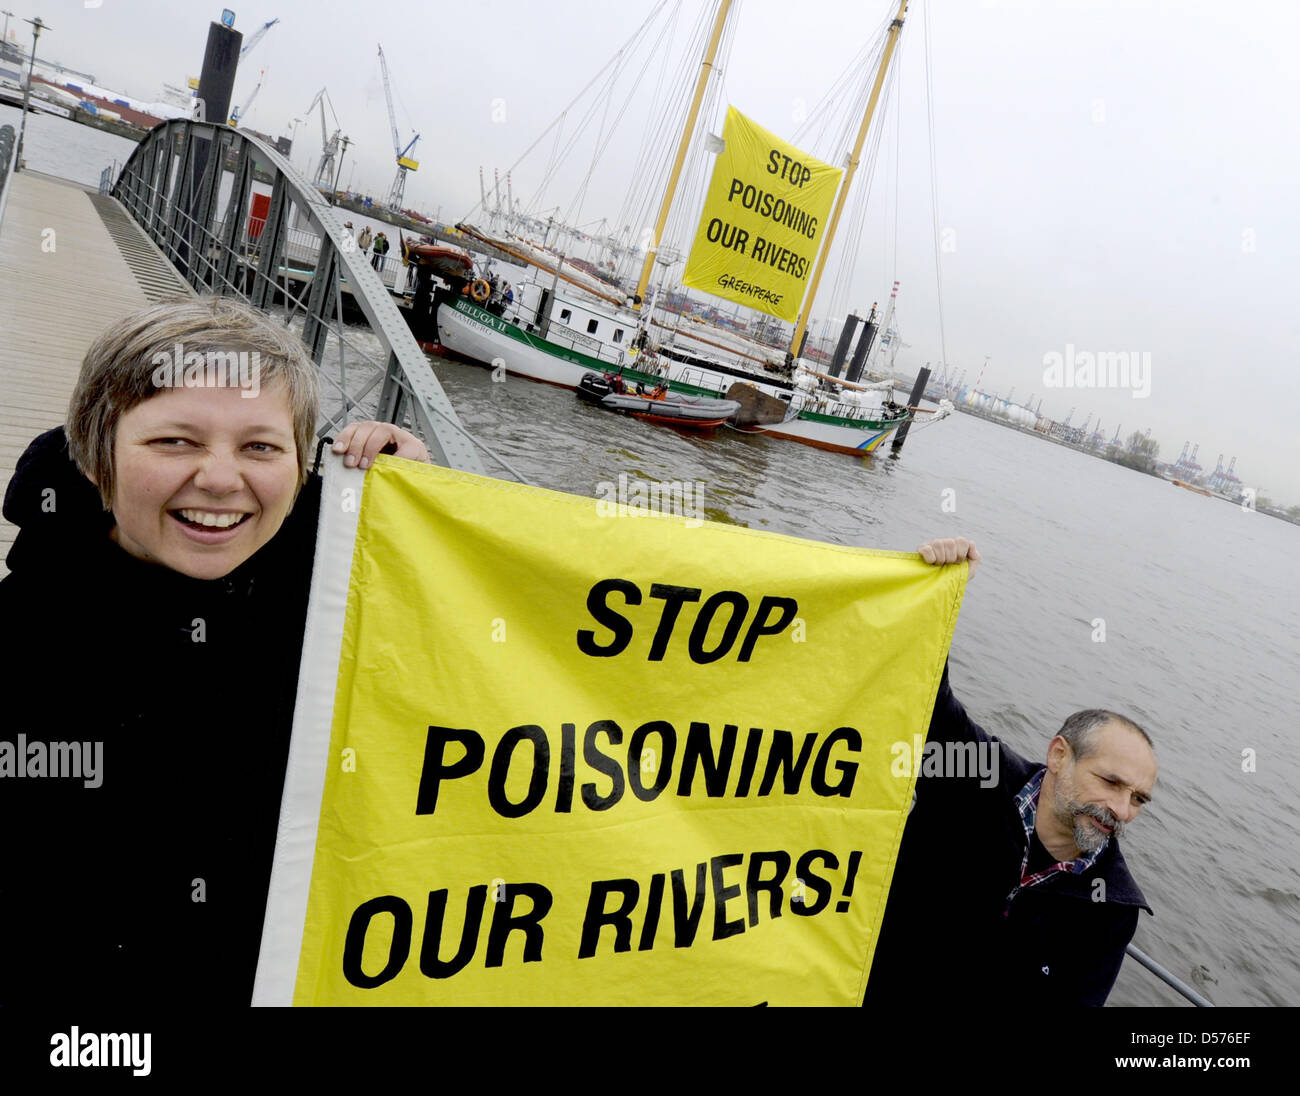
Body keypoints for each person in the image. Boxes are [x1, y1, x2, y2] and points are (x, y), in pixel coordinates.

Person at [0, 296, 429, 1006]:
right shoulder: (26, 648)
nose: (222, 480)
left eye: (260, 447)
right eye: (175, 441)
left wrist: (408, 509)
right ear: (95, 456)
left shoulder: (330, 599)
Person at [863, 537, 1157, 1008]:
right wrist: (942, 588)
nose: (1121, 810)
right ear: (1060, 755)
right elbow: (920, 692)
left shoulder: (1114, 907)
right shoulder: (976, 771)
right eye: (1111, 782)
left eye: (1139, 799)